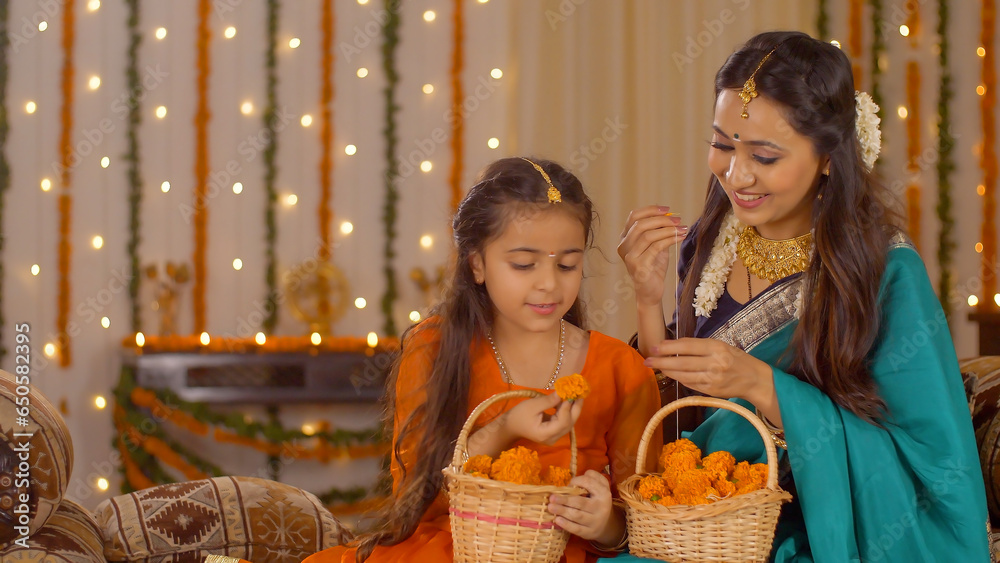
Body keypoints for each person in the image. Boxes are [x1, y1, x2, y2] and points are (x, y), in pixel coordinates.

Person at [615, 31, 991, 562]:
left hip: (820, 532)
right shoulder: (710, 239)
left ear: (830, 159)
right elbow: (681, 417)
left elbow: (930, 468)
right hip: (709, 524)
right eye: (722, 144)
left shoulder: (884, 274)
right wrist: (647, 299)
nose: (735, 174)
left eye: (764, 156)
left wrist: (763, 385)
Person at [304, 157, 661, 563]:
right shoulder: (434, 349)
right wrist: (505, 428)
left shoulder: (619, 367)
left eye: (567, 264)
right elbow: (416, 500)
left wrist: (606, 527)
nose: (548, 283)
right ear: (477, 263)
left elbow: (647, 515)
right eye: (523, 264)